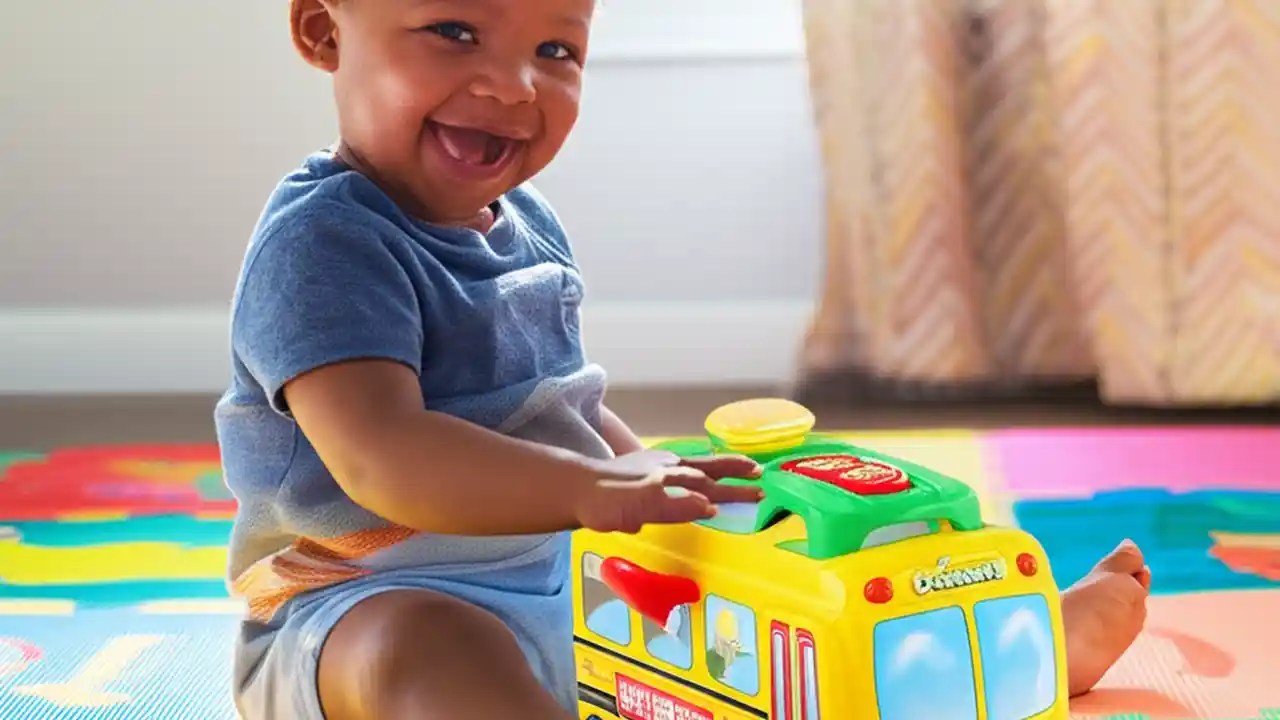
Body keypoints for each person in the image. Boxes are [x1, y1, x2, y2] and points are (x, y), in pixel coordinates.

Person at [213, 0, 1152, 717]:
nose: (513, 86)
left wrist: (663, 480)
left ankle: (985, 652)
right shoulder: (325, 245)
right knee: (425, 652)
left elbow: (562, 405)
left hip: (564, 582)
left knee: (763, 580)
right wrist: (591, 489)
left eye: (556, 50)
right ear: (322, 29)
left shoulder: (528, 227)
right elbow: (386, 457)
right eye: (455, 31)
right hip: (359, 601)